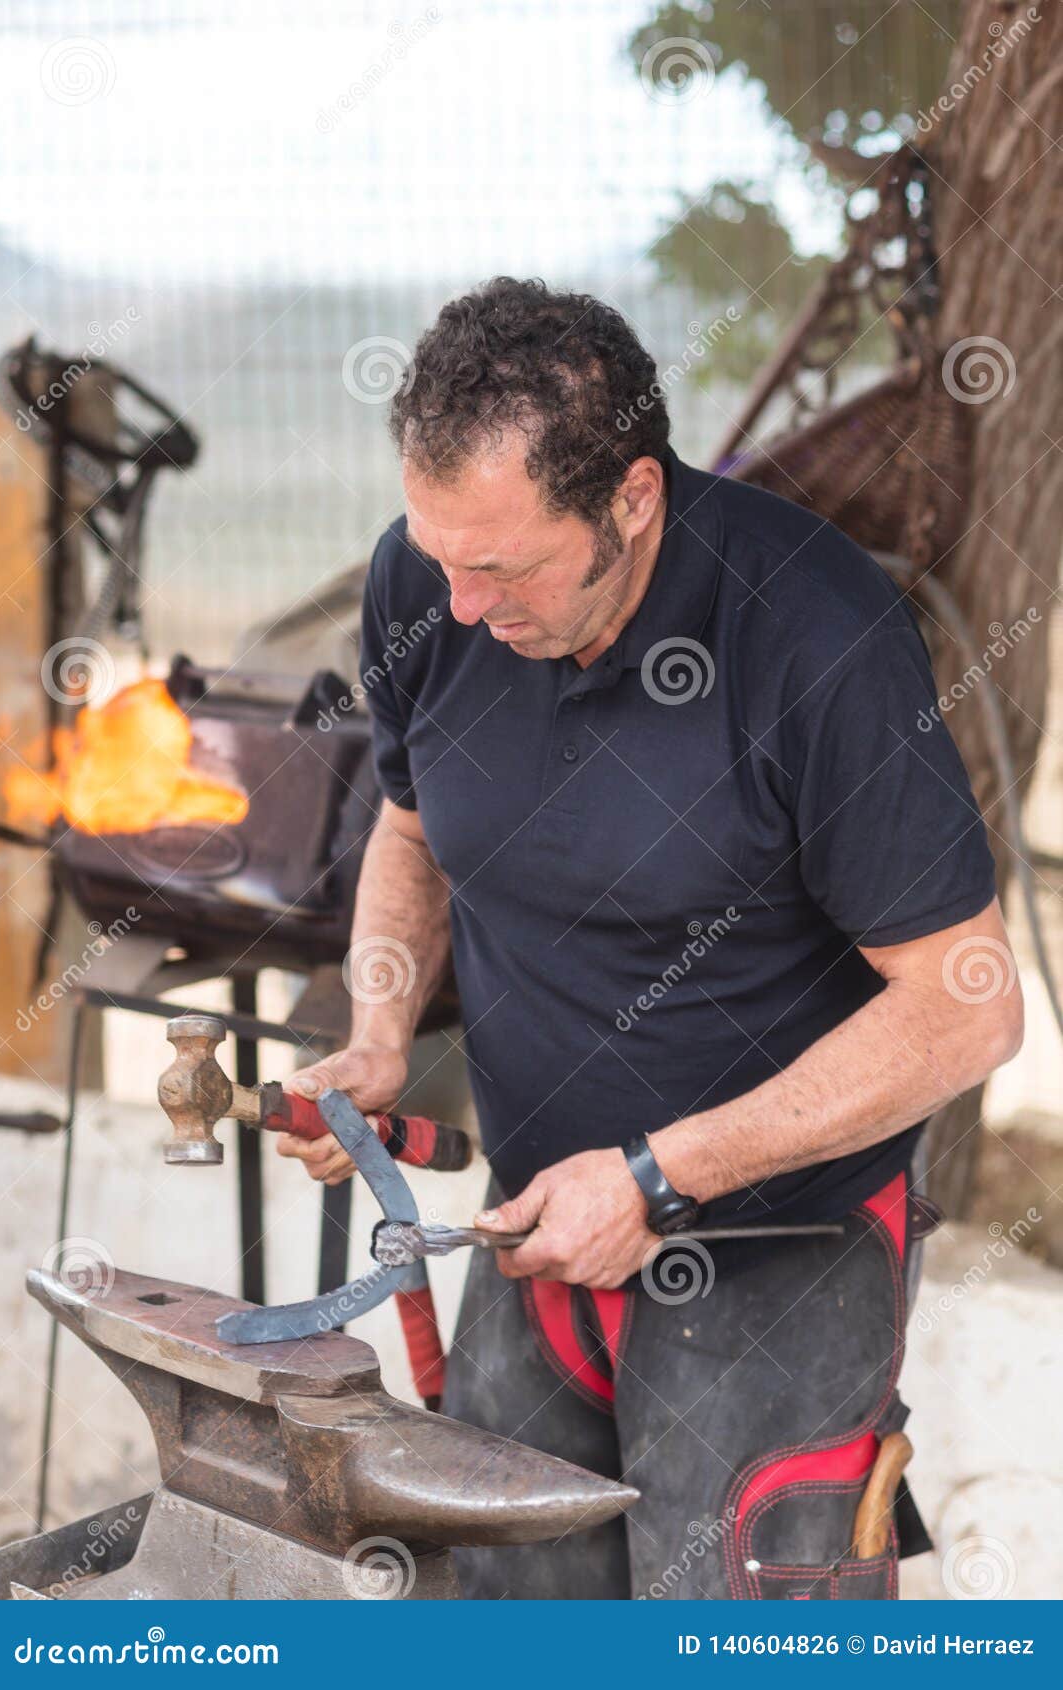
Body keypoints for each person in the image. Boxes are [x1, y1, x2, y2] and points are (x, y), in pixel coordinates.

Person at [281, 278, 1023, 1599]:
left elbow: (968, 1006)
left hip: (777, 1255)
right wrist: (381, 1033)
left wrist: (659, 1175)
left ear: (630, 498)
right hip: (542, 1233)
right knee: (506, 1627)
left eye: (499, 566)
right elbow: (410, 830)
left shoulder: (814, 635)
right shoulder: (430, 588)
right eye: (436, 551)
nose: (455, 605)